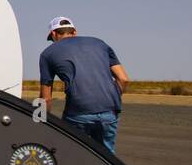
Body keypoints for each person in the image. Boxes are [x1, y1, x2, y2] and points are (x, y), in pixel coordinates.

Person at [39, 16, 129, 153]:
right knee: (107, 160)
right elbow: (123, 79)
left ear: (53, 34)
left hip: (78, 113)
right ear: (74, 32)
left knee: (72, 155)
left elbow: (45, 99)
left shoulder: (47, 54)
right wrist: (112, 101)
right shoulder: (100, 44)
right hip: (109, 111)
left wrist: (38, 120)